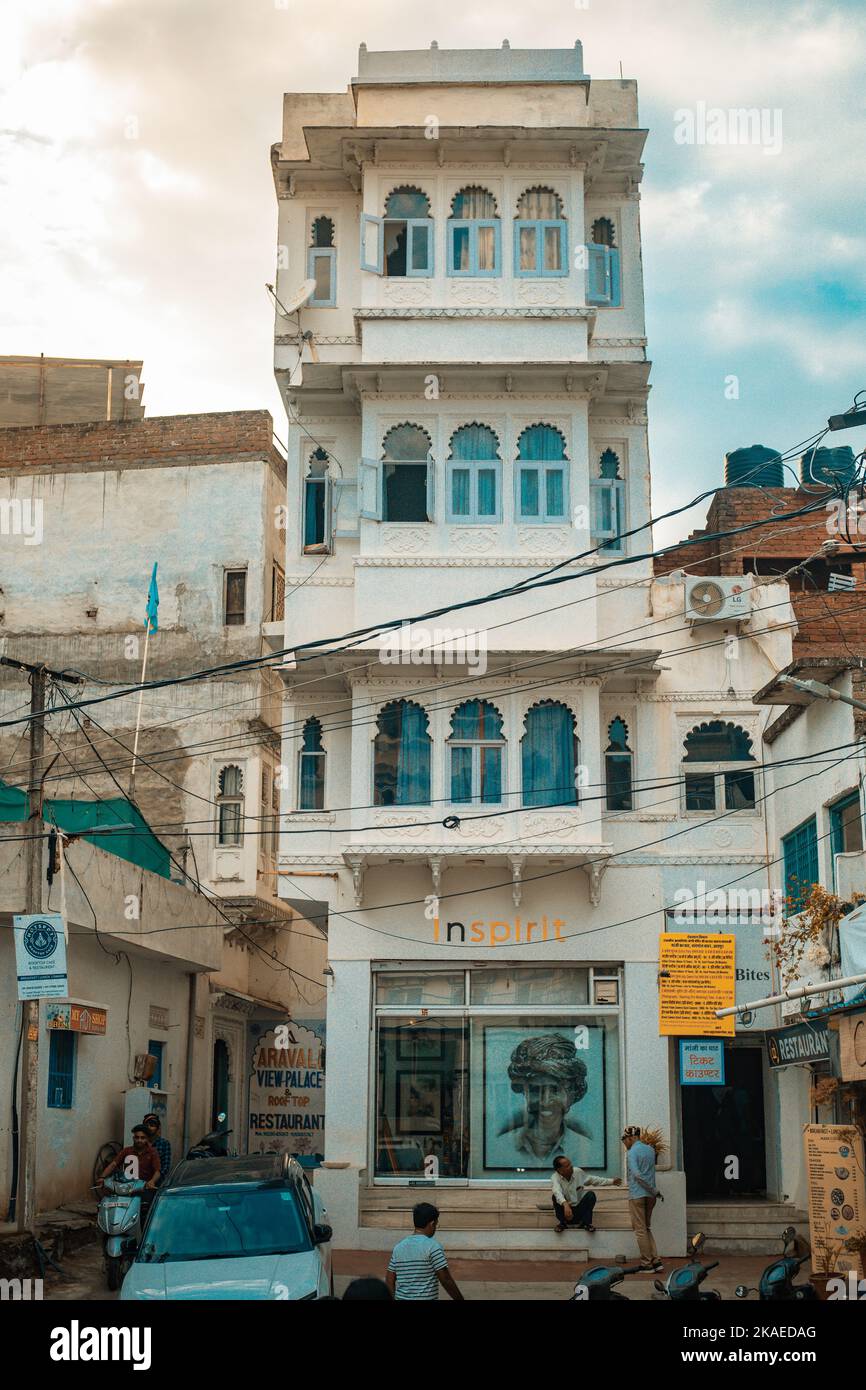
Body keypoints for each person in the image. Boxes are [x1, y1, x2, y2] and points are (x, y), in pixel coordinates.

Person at [498, 1034, 593, 1164]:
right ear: (524, 1091)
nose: (545, 1101)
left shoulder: (587, 1148)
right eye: (535, 1090)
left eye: (554, 1090)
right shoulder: (502, 1147)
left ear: (571, 1094)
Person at [385, 1202, 464, 1302]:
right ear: (432, 1224)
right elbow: (446, 1279)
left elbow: (389, 1280)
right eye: (436, 1224)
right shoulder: (433, 1247)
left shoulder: (399, 1247)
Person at [622, 1125, 664, 1272]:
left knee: (640, 1230)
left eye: (625, 1140)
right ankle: (656, 1261)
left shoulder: (632, 1152)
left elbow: (638, 1175)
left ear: (631, 1138)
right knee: (646, 1228)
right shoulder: (651, 1150)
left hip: (637, 1195)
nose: (624, 1143)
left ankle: (646, 1264)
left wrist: (653, 1189)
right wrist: (654, 1191)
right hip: (651, 1196)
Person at [99, 1125, 161, 1221]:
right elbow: (113, 1164)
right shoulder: (126, 1151)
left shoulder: (152, 1152)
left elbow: (157, 1171)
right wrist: (102, 1177)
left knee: (145, 1213)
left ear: (147, 1139)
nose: (139, 1140)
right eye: (137, 1137)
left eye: (142, 1138)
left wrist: (152, 1181)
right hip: (126, 1189)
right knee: (111, 1207)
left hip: (143, 1189)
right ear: (133, 1138)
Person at [551, 1154, 622, 1233]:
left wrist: (612, 1181)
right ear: (560, 1170)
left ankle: (585, 1223)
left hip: (578, 1210)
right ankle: (562, 1223)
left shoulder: (577, 1172)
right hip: (565, 1212)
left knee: (590, 1195)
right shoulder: (555, 1177)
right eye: (567, 1166)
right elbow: (557, 1191)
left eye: (570, 1164)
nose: (571, 1166)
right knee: (555, 1197)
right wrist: (565, 1204)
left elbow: (592, 1180)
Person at [142, 1113, 171, 1186]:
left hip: (158, 1183)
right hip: (141, 1181)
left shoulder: (164, 1144)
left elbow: (165, 1167)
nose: (149, 1128)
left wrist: (153, 1180)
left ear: (157, 1128)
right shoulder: (141, 1142)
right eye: (146, 1125)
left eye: (152, 1125)